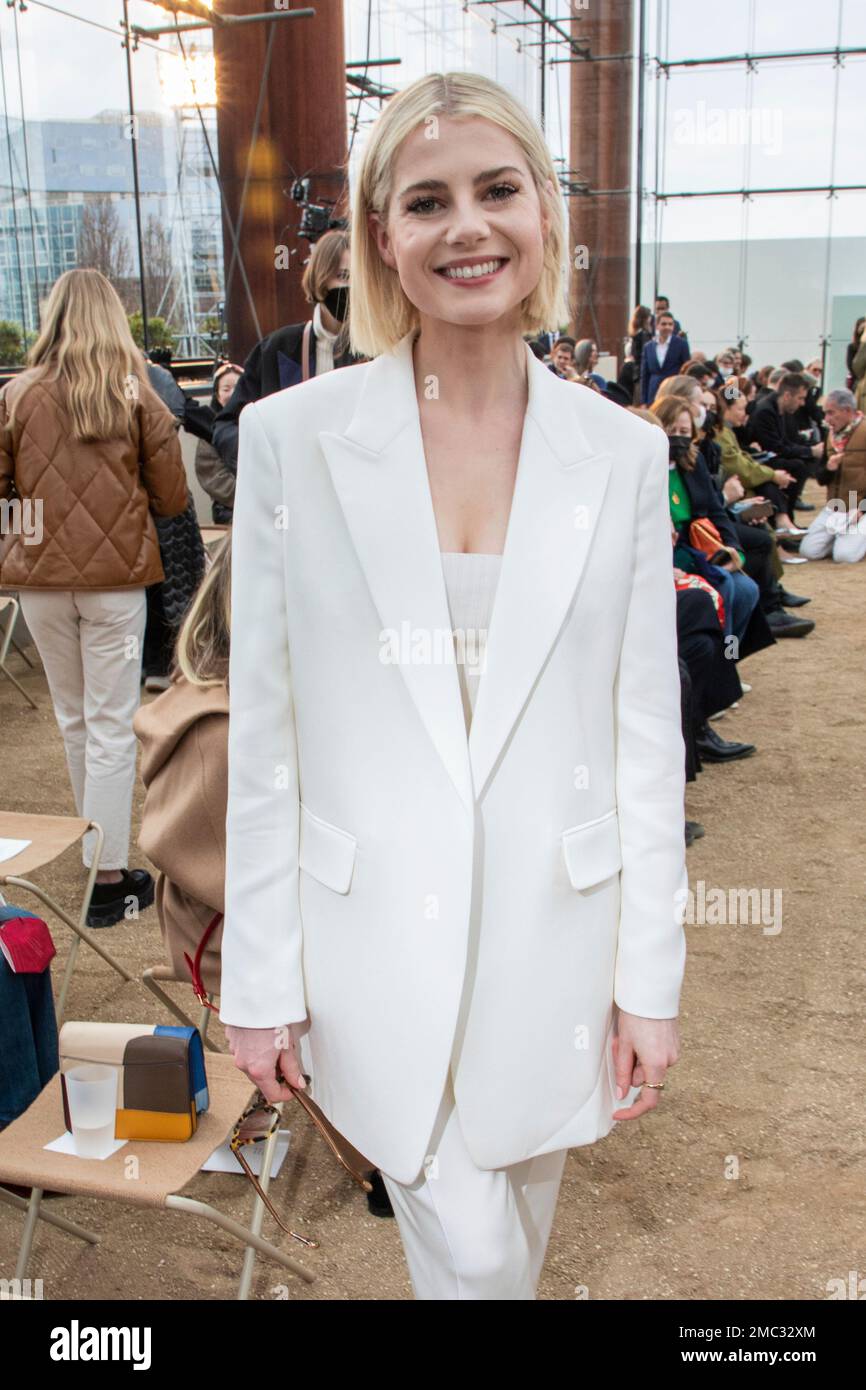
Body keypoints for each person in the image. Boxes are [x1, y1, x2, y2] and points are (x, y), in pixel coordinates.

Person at [218, 70, 688, 1302]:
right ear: (383, 236)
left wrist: (650, 978)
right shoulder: (292, 439)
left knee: (509, 1247)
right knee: (474, 1257)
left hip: (558, 946)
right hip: (367, 944)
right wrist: (260, 983)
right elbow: (266, 732)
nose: (466, 226)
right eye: (425, 201)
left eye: (496, 189)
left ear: (544, 212)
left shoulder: (625, 455)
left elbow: (645, 733)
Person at [0, 268, 188, 927]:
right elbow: (171, 495)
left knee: (74, 719)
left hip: (40, 584)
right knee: (111, 724)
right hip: (116, 581)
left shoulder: (18, 394)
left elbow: (2, 492)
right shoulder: (133, 392)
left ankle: (94, 859)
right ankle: (108, 879)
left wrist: (27, 540)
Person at [211, 229, 362, 477]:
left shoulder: (377, 352)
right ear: (320, 279)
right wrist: (267, 460)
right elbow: (227, 426)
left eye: (358, 279)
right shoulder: (276, 349)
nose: (350, 288)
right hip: (291, 497)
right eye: (343, 276)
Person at [799, 388, 866, 563]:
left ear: (848, 411)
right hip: (835, 507)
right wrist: (829, 468)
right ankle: (845, 537)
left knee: (844, 556)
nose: (826, 419)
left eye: (831, 413)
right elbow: (821, 479)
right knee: (808, 551)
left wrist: (862, 509)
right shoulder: (831, 435)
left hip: (858, 506)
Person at [194, 361, 243, 523]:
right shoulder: (209, 432)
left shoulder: (261, 425)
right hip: (229, 512)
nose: (233, 393)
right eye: (226, 389)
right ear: (217, 395)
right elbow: (215, 479)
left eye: (238, 387)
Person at [641, 311, 690, 404]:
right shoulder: (648, 347)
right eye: (664, 324)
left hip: (674, 392)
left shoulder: (682, 344)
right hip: (653, 394)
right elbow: (644, 375)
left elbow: (686, 370)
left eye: (670, 324)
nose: (667, 327)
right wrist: (644, 401)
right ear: (657, 325)